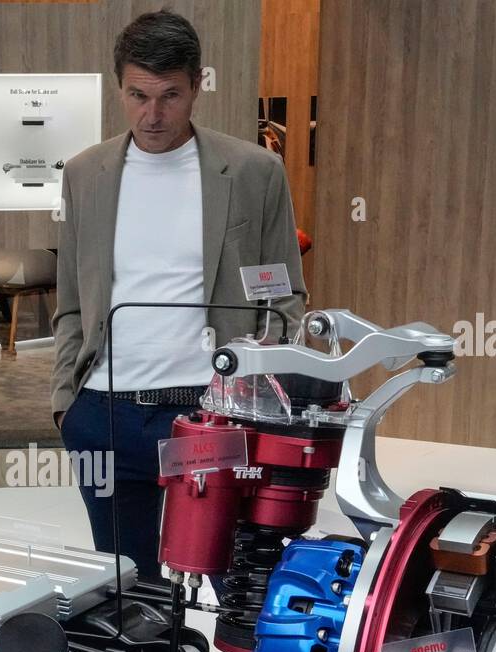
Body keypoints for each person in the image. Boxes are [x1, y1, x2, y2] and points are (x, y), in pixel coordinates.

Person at [52, 9, 307, 582]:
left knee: (240, 585)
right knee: (125, 595)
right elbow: (71, 298)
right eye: (138, 95)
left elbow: (286, 296)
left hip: (210, 410)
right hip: (104, 413)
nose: (153, 114)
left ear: (197, 86)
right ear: (119, 88)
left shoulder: (253, 172)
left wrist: (259, 394)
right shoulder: (85, 173)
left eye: (170, 95)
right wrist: (67, 404)